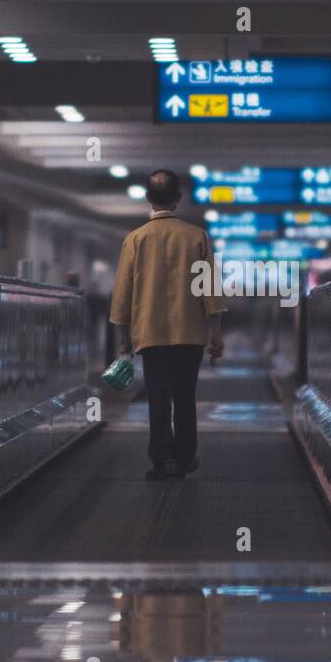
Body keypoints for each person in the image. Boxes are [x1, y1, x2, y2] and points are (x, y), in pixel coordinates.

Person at [109, 169, 226, 480]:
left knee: (159, 397)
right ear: (178, 198)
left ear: (149, 199)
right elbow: (209, 288)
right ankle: (186, 456)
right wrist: (215, 332)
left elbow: (123, 291)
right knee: (185, 396)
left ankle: (163, 460)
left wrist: (123, 336)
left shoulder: (135, 239)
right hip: (190, 334)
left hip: (151, 334)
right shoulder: (196, 236)